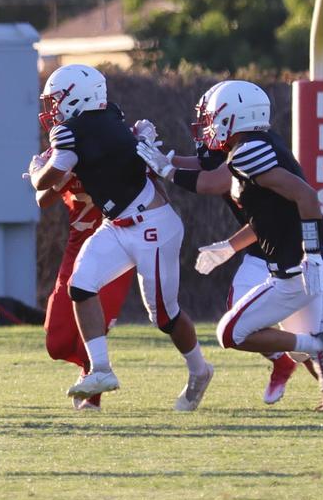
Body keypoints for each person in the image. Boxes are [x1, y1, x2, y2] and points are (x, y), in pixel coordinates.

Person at [159, 81, 323, 418]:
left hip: (301, 266)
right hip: (304, 262)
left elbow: (306, 196)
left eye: (213, 117)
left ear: (234, 117)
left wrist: (166, 169)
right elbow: (268, 218)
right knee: (312, 346)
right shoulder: (254, 148)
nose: (209, 125)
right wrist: (229, 246)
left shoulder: (250, 149)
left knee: (233, 332)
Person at [28, 63, 212, 410]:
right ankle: (100, 370)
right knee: (80, 286)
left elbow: (43, 183)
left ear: (75, 98)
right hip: (117, 224)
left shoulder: (76, 132)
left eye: (56, 101)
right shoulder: (109, 119)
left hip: (152, 226)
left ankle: (200, 370)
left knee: (164, 317)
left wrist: (38, 169)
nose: (52, 110)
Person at [37, 164, 134, 410]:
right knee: (56, 344)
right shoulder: (62, 154)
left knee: (85, 344)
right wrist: (57, 176)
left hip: (115, 252)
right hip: (76, 249)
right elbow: (43, 198)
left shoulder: (116, 144)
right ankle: (87, 369)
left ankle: (94, 394)